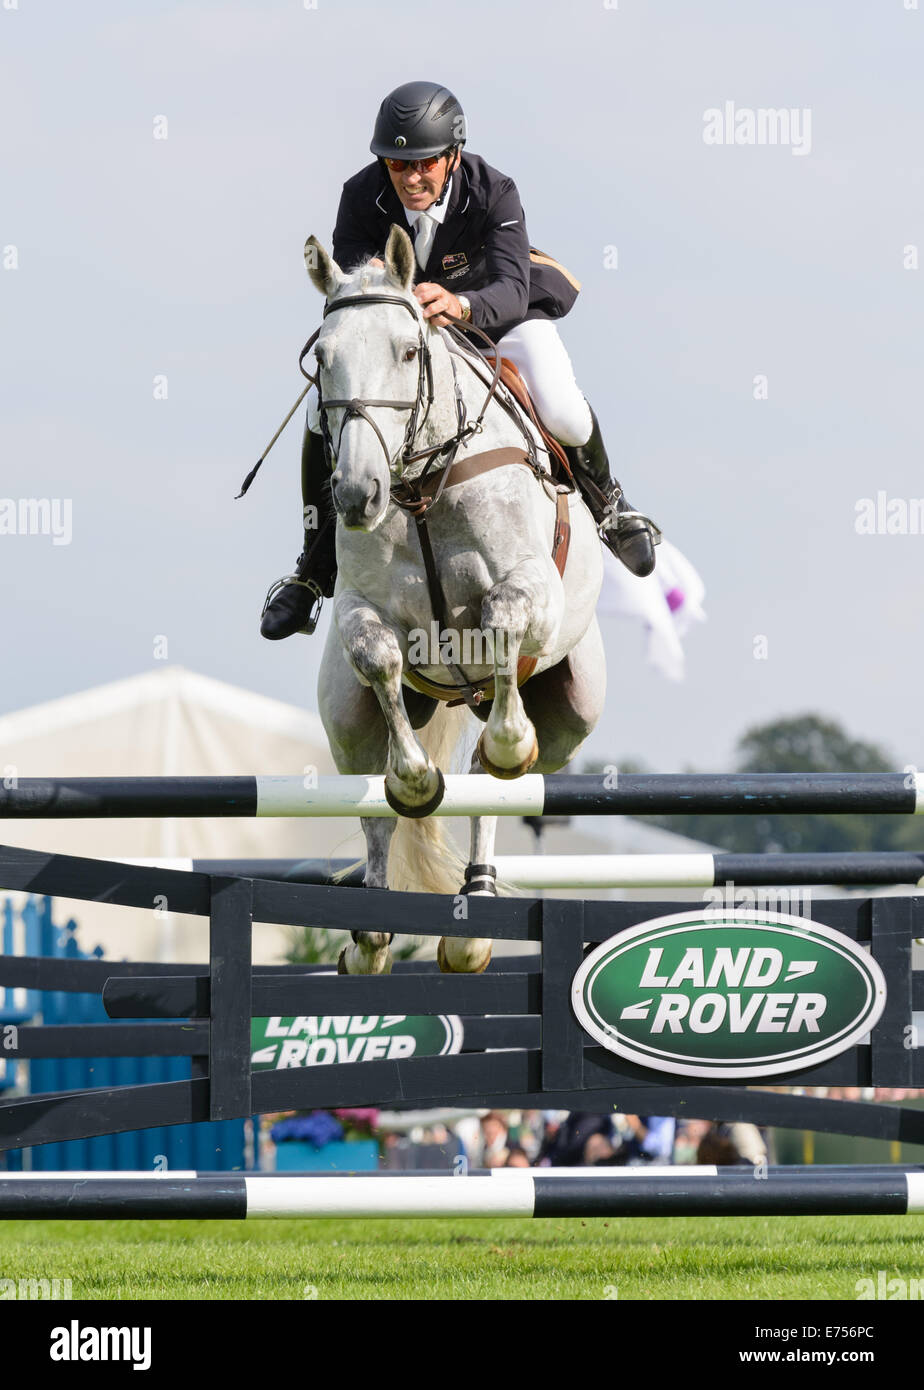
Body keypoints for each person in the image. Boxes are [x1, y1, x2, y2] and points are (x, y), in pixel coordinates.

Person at [261, 80, 661, 640]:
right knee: (320, 413)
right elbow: (353, 288)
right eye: (398, 165)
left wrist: (459, 303)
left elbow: (511, 289)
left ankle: (610, 503)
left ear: (451, 156)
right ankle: (312, 569)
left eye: (425, 164)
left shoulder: (494, 190)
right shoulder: (360, 194)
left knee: (562, 403)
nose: (411, 177)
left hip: (495, 315)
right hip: (406, 326)